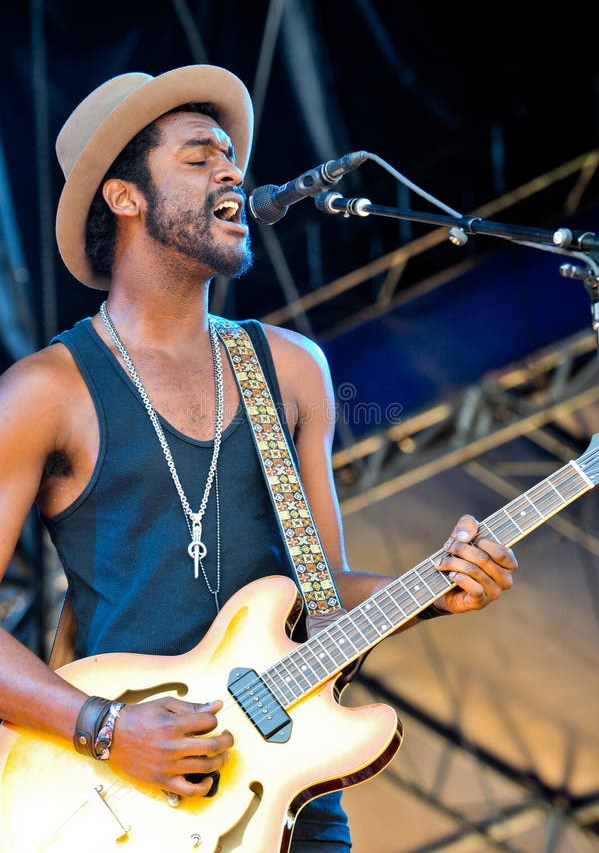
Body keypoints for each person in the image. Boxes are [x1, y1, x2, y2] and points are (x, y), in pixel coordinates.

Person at [0, 64, 517, 852]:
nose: (231, 168)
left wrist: (437, 588)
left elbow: (324, 593)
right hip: (119, 794)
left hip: (288, 795)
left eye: (231, 155)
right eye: (199, 155)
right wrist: (108, 728)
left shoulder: (288, 367)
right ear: (125, 196)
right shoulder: (45, 390)